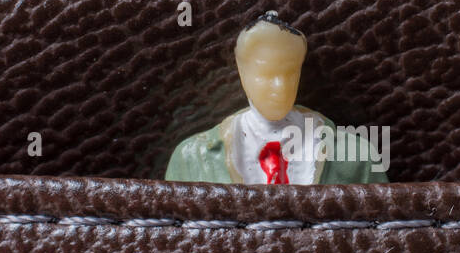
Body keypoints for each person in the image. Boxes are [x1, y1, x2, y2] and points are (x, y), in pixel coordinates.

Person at [165, 14, 389, 185]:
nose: (280, 87)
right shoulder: (191, 158)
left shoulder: (357, 156)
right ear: (242, 74)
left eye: (290, 73)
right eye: (266, 75)